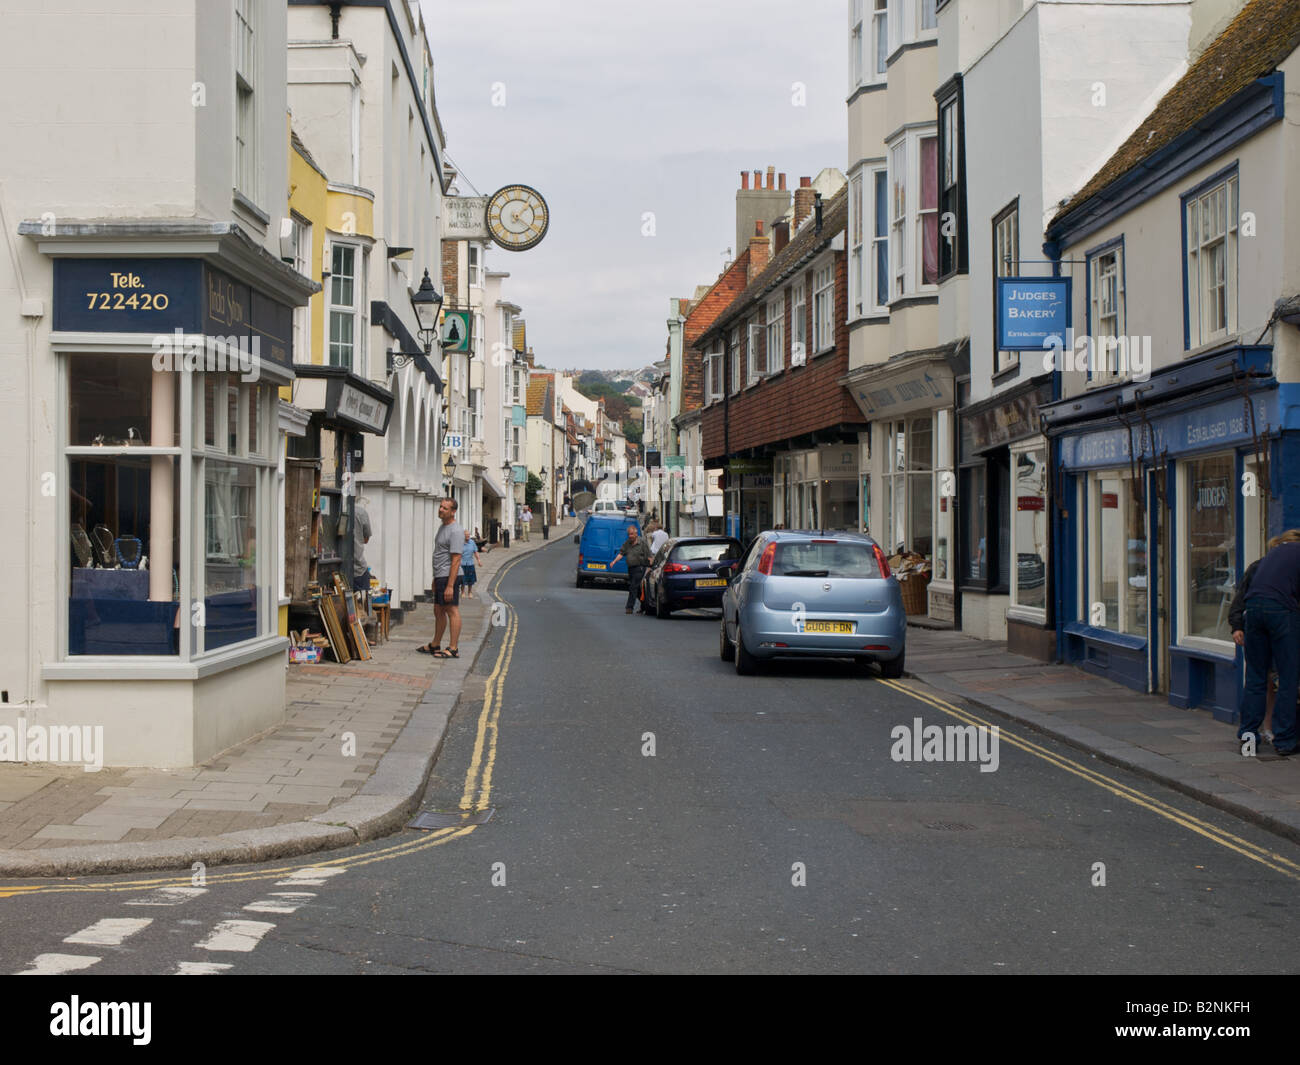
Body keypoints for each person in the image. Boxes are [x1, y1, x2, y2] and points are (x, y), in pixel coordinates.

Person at [1231, 530, 1300, 746]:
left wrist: (1236, 624)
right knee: (1288, 677)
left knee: (1255, 677)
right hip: (1280, 611)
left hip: (1253, 611)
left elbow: (1244, 593)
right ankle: (1285, 741)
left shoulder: (1268, 558)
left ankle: (1248, 735)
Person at [419, 498, 464, 658]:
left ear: (453, 512)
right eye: (440, 507)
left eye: (445, 508)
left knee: (451, 610)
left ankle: (453, 648)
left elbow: (456, 559)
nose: (441, 510)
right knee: (438, 610)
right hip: (441, 576)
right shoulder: (443, 527)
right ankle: (435, 644)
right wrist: (435, 578)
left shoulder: (456, 531)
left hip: (449, 576)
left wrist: (450, 585)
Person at [611, 524, 652, 615]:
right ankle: (644, 606)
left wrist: (650, 568)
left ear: (636, 534)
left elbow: (649, 556)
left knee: (633, 587)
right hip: (631, 569)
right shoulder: (627, 543)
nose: (630, 536)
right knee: (637, 590)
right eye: (629, 534)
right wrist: (614, 562)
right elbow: (621, 553)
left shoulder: (642, 543)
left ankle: (629, 607)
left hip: (640, 568)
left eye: (632, 534)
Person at [352, 498, 372, 592]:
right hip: (358, 567)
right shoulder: (361, 512)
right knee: (363, 601)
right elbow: (366, 539)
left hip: (338, 571)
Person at [461, 532, 479, 599]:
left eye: (468, 535)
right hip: (462, 563)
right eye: (466, 535)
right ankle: (462, 592)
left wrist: (478, 560)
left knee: (470, 580)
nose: (468, 536)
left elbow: (475, 552)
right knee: (462, 579)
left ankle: (470, 592)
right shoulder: (460, 543)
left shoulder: (472, 542)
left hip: (470, 563)